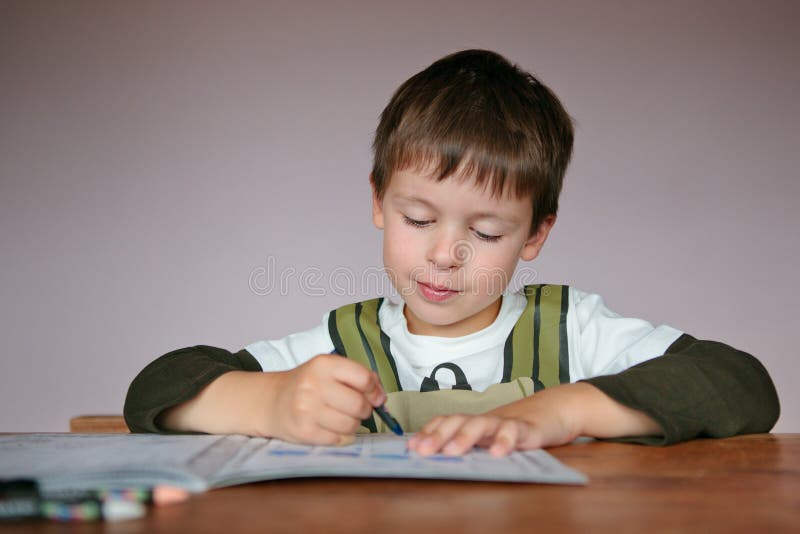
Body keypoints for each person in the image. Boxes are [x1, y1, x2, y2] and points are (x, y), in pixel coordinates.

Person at [124, 49, 779, 456]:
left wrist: (564, 408)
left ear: (536, 235)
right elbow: (156, 388)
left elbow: (742, 383)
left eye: (487, 234)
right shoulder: (340, 344)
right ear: (379, 202)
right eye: (417, 218)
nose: (446, 254)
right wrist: (269, 404)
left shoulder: (573, 331)